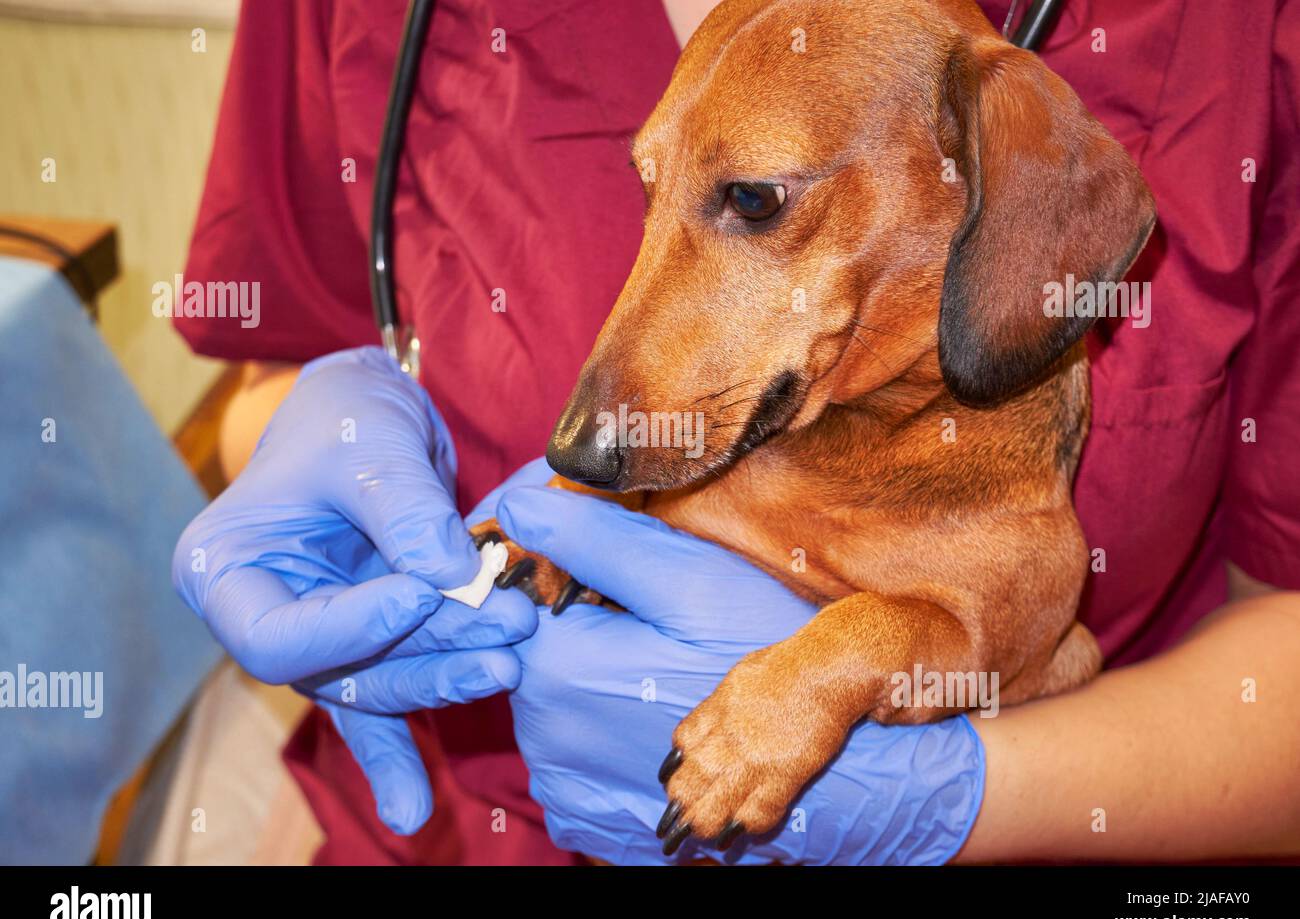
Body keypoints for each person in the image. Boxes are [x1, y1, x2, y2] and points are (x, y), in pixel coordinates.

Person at [172, 0, 1300, 864]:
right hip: (448, 834)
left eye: (753, 202)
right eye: (657, 190)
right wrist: (320, 471)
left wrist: (957, 795)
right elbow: (266, 376)